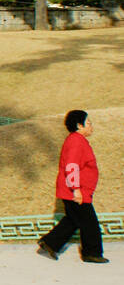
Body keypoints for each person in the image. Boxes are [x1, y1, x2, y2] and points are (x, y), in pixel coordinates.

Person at [37, 110, 108, 263]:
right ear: (79, 125)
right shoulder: (76, 141)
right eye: (88, 123)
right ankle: (92, 253)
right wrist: (76, 189)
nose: (91, 126)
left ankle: (49, 243)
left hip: (76, 190)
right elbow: (71, 166)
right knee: (90, 223)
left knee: (73, 220)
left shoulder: (77, 140)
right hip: (76, 191)